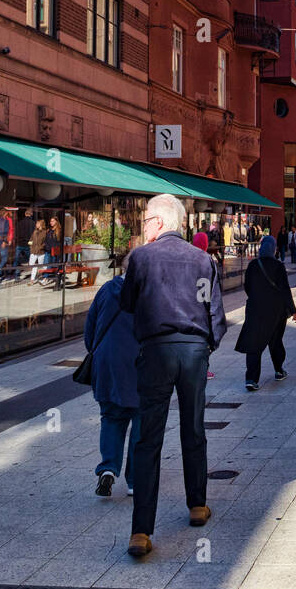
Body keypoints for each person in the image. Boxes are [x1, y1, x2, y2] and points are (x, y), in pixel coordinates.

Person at [119, 194, 227, 559]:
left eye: (147, 220)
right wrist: (205, 347)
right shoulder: (203, 259)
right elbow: (216, 315)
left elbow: (128, 303)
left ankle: (141, 531)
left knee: (148, 438)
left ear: (160, 222)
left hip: (156, 350)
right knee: (193, 428)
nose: (144, 226)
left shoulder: (141, 258)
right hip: (194, 351)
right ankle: (197, 504)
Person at [85, 255, 141, 497]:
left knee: (111, 417)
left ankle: (108, 468)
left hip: (107, 364)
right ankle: (134, 481)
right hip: (138, 364)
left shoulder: (107, 289)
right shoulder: (147, 294)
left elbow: (90, 328)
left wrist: (97, 353)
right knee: (140, 422)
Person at [236, 235, 296, 390]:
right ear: (273, 248)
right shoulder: (278, 266)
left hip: (255, 310)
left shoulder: (253, 265)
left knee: (253, 344)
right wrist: (293, 311)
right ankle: (279, 370)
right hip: (276, 311)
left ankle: (251, 379)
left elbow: (247, 287)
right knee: (275, 342)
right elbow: (285, 290)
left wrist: (256, 298)